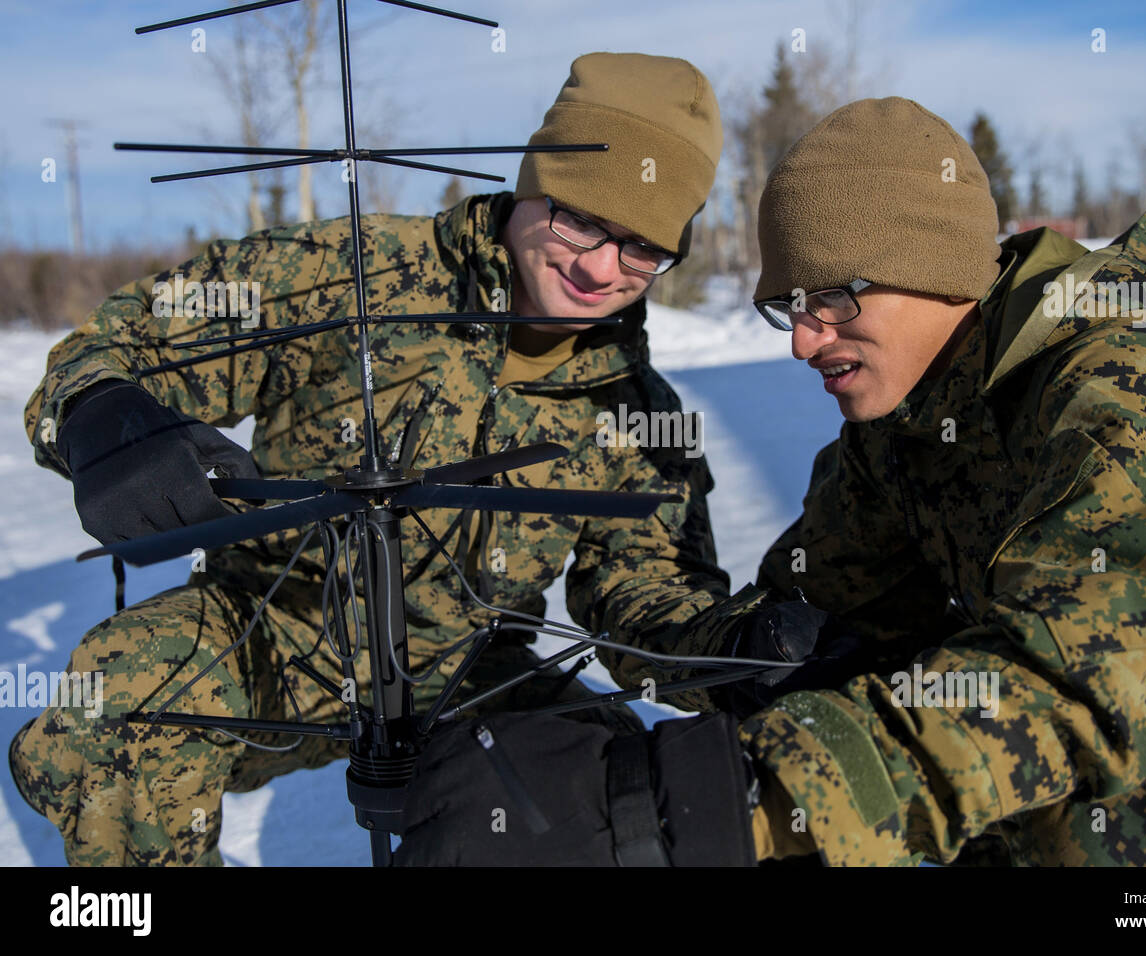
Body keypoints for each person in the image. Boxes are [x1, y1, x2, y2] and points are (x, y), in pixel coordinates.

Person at [394, 97, 1146, 867]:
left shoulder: (1139, 386)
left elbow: (1076, 681)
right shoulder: (901, 429)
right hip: (1125, 732)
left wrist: (688, 810)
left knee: (1075, 823)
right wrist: (604, 730)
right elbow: (782, 638)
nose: (801, 339)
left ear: (933, 267)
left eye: (831, 297)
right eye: (789, 305)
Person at [9, 52, 745, 866]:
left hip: (471, 669)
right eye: (578, 220)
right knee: (114, 706)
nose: (599, 268)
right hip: (277, 627)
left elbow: (645, 592)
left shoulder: (638, 413)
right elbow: (120, 348)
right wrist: (103, 421)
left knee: (617, 799)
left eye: (642, 250)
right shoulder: (355, 275)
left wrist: (741, 648)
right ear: (531, 183)